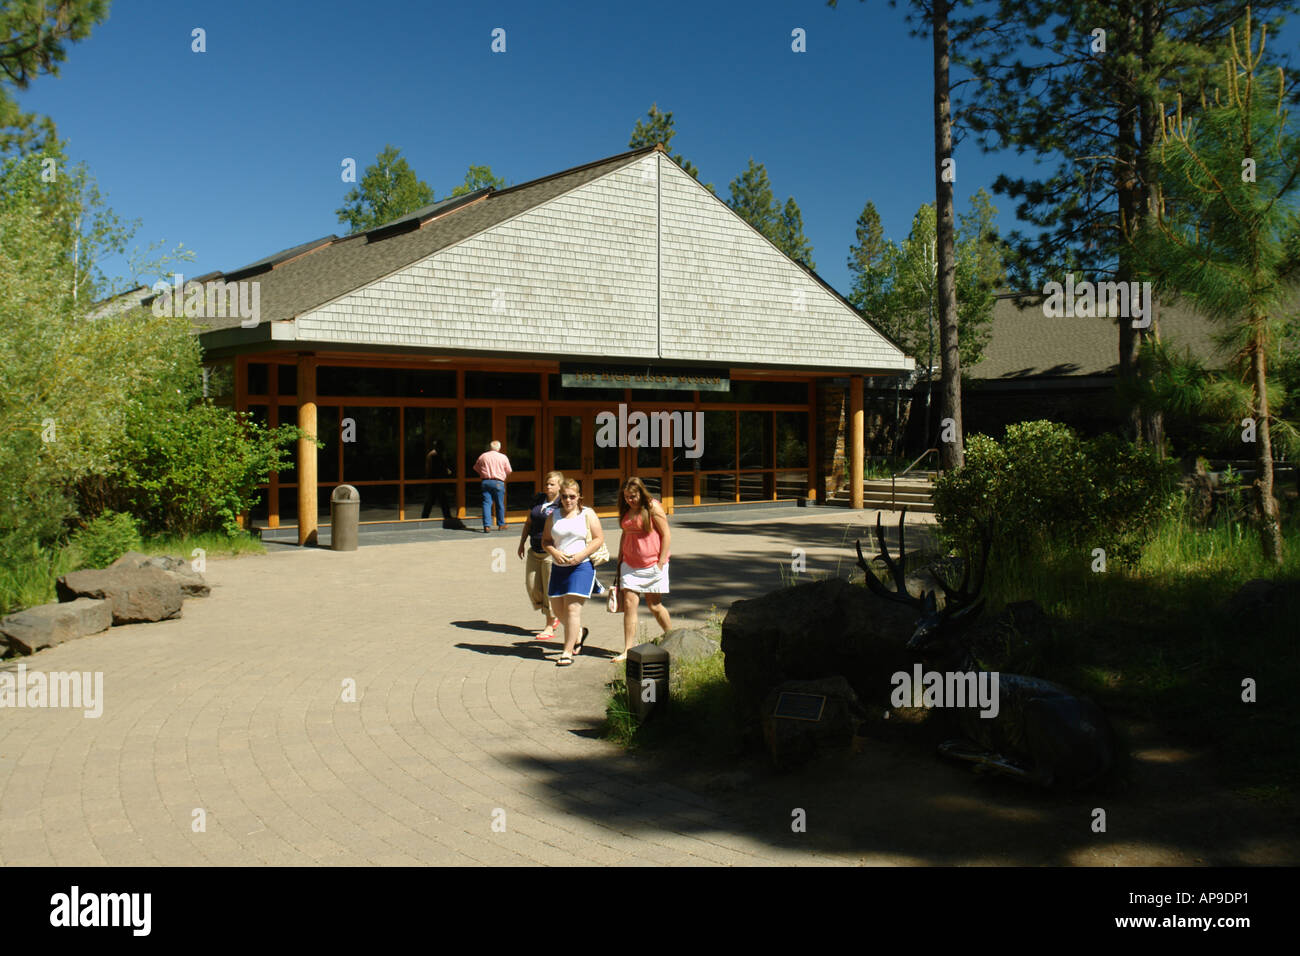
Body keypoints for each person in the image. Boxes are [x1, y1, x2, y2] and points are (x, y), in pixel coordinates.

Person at [542, 479, 604, 666]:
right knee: (557, 608)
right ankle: (578, 633)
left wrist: (581, 555)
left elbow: (598, 538)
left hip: (581, 566)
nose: (568, 500)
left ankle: (567, 651)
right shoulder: (553, 515)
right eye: (564, 497)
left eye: (572, 497)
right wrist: (554, 552)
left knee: (572, 609)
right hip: (559, 567)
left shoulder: (587, 514)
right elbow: (546, 541)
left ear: (579, 497)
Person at [615, 476, 671, 663]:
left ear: (641, 492)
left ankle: (673, 637)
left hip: (652, 563)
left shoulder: (652, 507)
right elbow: (625, 534)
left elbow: (666, 534)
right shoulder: (626, 509)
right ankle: (628, 650)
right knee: (630, 604)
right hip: (630, 564)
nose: (629, 500)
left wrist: (661, 562)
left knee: (654, 605)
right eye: (626, 497)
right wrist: (620, 559)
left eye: (632, 496)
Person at [518, 470, 564, 639]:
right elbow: (528, 521)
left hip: (550, 552)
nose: (548, 487)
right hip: (534, 550)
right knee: (532, 587)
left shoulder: (562, 504)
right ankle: (555, 613)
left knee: (548, 590)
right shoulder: (538, 499)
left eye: (552, 484)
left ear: (560, 486)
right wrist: (522, 542)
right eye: (546, 483)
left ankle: (549, 625)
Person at [472, 440, 512, 532]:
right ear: (499, 448)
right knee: (499, 504)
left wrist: (483, 473)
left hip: (485, 481)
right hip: (498, 482)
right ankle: (501, 524)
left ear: (490, 447)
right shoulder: (503, 457)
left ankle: (487, 526)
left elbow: (476, 468)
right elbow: (509, 470)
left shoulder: (483, 456)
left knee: (487, 503)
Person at [421, 438, 453, 521]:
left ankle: (425, 517)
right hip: (435, 480)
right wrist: (446, 471)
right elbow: (437, 468)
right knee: (436, 499)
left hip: (435, 480)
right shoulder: (434, 455)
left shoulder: (434, 454)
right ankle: (446, 516)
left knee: (435, 500)